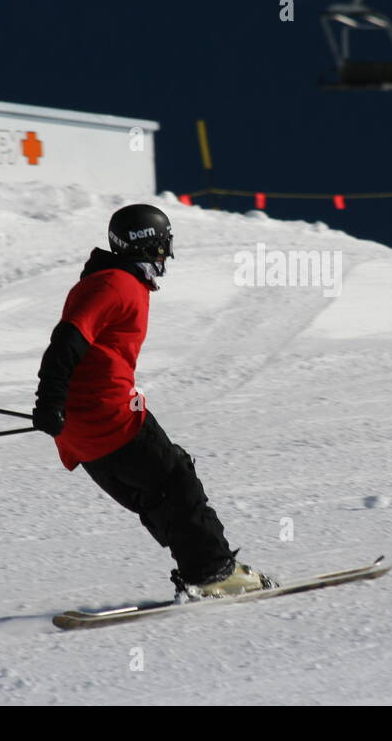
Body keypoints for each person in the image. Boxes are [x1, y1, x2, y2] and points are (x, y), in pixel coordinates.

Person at [31, 204, 275, 598]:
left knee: (157, 494)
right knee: (176, 480)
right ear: (146, 244)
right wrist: (49, 399)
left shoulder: (110, 281)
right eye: (163, 245)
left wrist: (53, 405)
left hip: (80, 430)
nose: (167, 254)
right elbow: (67, 340)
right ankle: (214, 572)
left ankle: (203, 568)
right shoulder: (115, 284)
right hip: (108, 414)